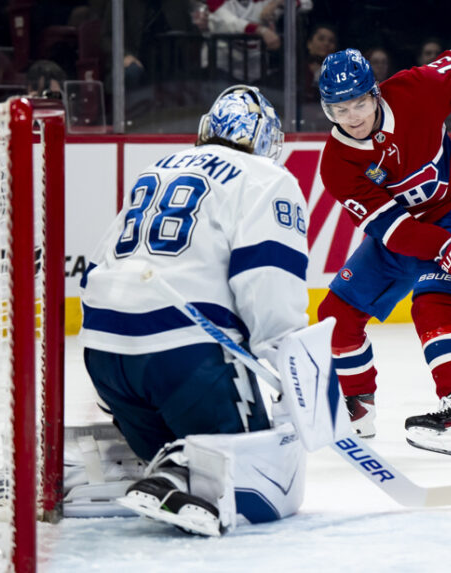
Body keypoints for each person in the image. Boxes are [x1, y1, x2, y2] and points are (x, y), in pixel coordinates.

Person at [78, 85, 311, 535]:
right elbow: (267, 276)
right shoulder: (267, 177)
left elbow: (99, 265)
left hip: (105, 358)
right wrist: (291, 366)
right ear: (264, 138)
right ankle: (191, 470)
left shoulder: (158, 167)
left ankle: (166, 466)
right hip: (184, 359)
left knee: (175, 445)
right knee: (270, 488)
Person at [315, 48, 451, 458]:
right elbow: (393, 230)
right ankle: (358, 410)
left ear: (375, 93)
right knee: (335, 317)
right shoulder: (337, 165)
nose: (354, 117)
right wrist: (442, 247)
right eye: (339, 109)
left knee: (433, 302)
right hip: (403, 236)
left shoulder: (415, 90)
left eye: (360, 103)